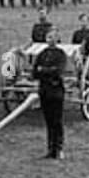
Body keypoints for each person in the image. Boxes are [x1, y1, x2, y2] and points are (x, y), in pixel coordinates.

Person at [33, 27, 68, 159]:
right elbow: (35, 72)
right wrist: (46, 71)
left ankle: (58, 148)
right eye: (48, 37)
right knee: (48, 122)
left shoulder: (60, 54)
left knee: (57, 121)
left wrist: (44, 70)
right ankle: (50, 149)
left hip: (56, 91)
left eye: (53, 37)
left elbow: (58, 71)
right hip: (44, 91)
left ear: (57, 39)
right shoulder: (42, 54)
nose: (50, 40)